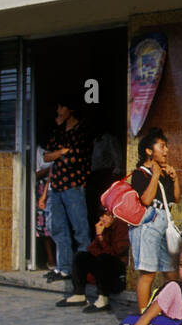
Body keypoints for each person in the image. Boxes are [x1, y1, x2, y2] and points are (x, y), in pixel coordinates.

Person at [128, 128, 178, 311]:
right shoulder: (139, 174)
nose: (166, 151)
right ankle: (144, 317)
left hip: (164, 222)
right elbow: (146, 200)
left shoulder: (165, 172)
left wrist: (174, 178)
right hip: (148, 224)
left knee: (171, 273)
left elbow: (176, 198)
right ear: (149, 151)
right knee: (148, 273)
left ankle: (169, 311)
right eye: (162, 146)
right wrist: (155, 175)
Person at [42, 97, 93, 281]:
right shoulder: (59, 132)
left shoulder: (82, 130)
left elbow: (74, 158)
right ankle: (64, 268)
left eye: (61, 106)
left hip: (73, 186)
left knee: (80, 230)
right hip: (56, 186)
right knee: (57, 227)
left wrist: (62, 154)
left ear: (71, 109)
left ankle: (83, 271)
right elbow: (47, 156)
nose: (58, 111)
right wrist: (61, 152)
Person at [57, 212, 130, 313]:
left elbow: (116, 252)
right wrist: (99, 236)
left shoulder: (121, 227)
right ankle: (79, 294)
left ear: (113, 216)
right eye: (101, 216)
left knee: (103, 258)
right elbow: (91, 248)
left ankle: (103, 299)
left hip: (117, 268)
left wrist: (100, 237)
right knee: (80, 256)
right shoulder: (103, 228)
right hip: (103, 262)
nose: (102, 219)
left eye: (106, 216)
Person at [33, 145, 56, 272]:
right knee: (44, 227)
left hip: (52, 189)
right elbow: (36, 174)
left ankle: (56, 260)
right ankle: (50, 259)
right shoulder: (38, 152)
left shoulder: (61, 150)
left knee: (55, 226)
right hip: (43, 190)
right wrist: (51, 169)